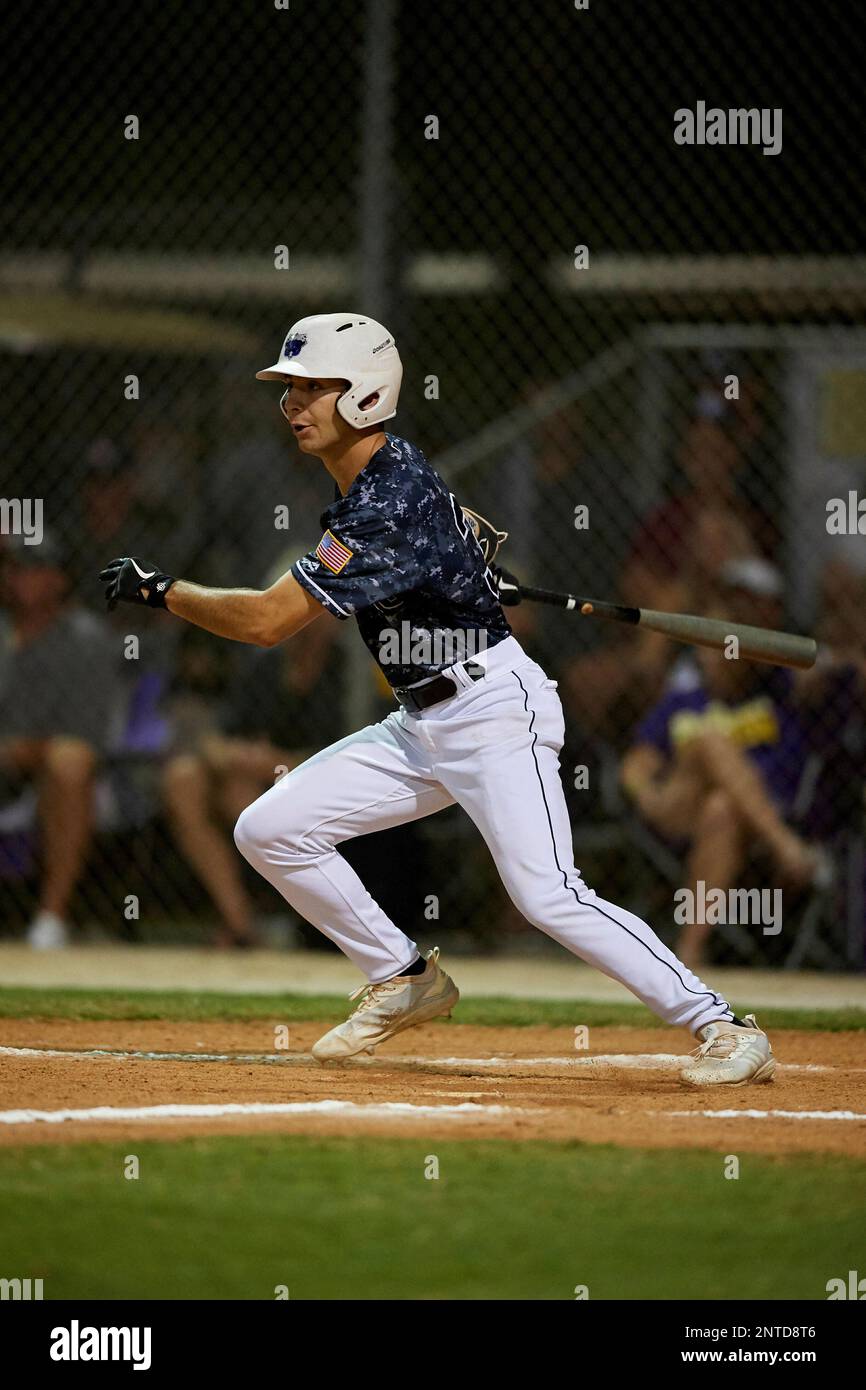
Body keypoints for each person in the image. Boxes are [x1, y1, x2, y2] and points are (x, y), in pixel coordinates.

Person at [98, 313, 777, 1086]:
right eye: (290, 389)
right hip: (423, 721)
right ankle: (404, 975)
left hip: (493, 713)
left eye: (313, 388)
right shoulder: (392, 479)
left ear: (365, 394)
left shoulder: (383, 498)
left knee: (546, 895)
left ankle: (721, 1026)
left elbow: (265, 622)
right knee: (270, 826)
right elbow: (446, 538)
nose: (293, 404)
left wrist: (162, 592)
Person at [620, 623, 824, 969]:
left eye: (727, 648)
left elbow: (786, 775)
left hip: (749, 815)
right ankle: (787, 849)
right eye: (708, 645)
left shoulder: (774, 702)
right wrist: (648, 796)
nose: (717, 656)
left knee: (722, 808)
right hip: (679, 808)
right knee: (709, 741)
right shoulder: (682, 702)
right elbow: (635, 765)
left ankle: (689, 952)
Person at [1, 532, 119, 947]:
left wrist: (20, 750)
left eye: (35, 571)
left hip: (49, 774)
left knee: (69, 761)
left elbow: (86, 738)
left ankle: (51, 917)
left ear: (58, 580)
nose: (22, 580)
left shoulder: (84, 638)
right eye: (16, 570)